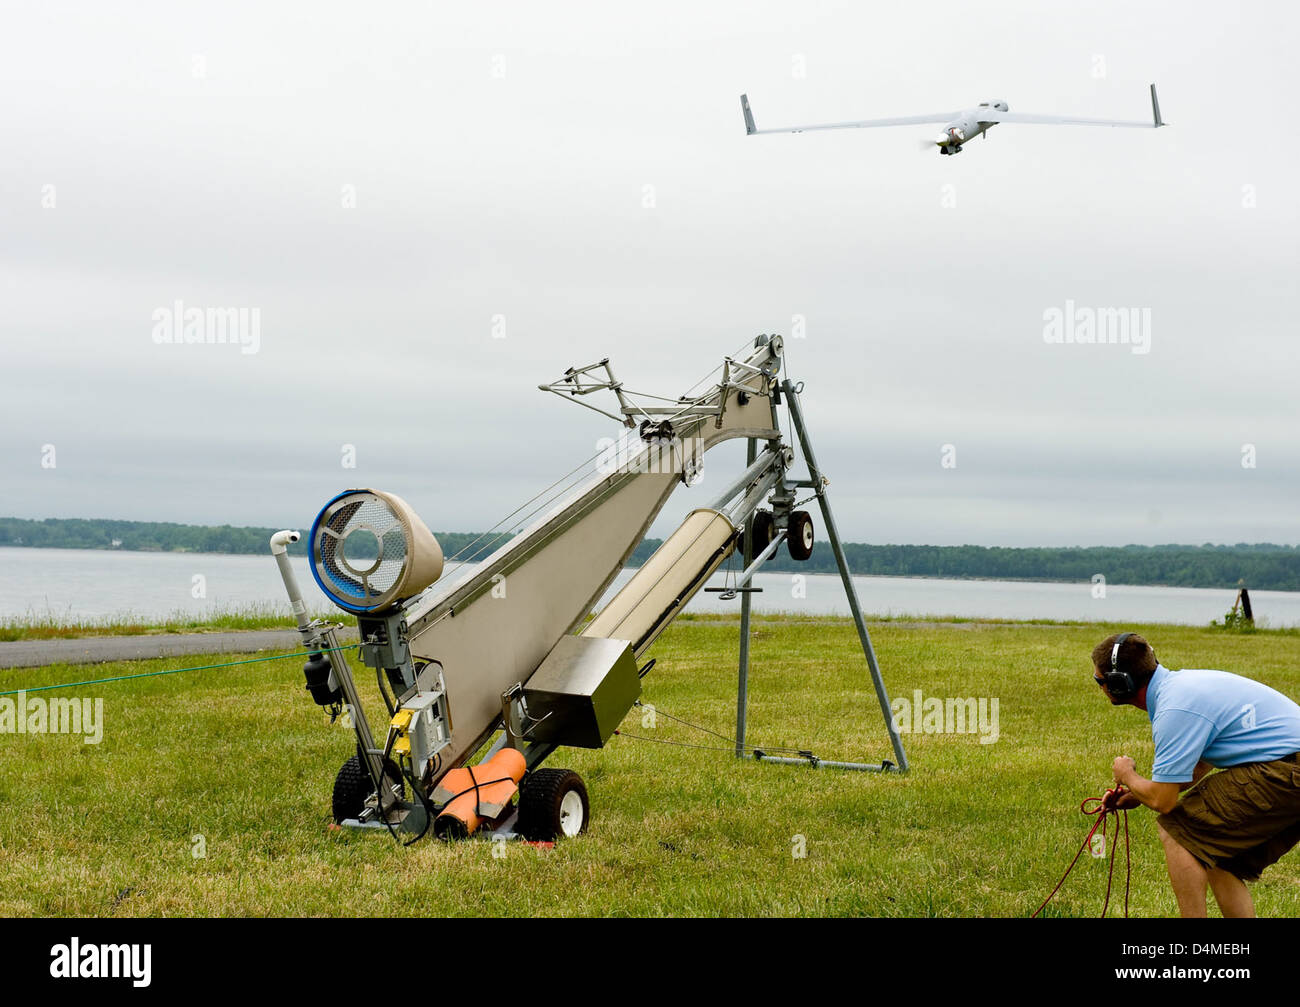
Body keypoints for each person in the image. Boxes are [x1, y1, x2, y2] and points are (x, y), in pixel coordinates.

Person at [1093, 632, 1300, 917]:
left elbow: (1164, 802)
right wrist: (1139, 793)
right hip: (1289, 770)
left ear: (1118, 684)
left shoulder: (1174, 707)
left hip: (1288, 771)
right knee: (1221, 858)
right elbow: (1198, 767)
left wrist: (1127, 774)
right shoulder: (1179, 689)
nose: (1100, 687)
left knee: (1178, 830)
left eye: (1099, 681)